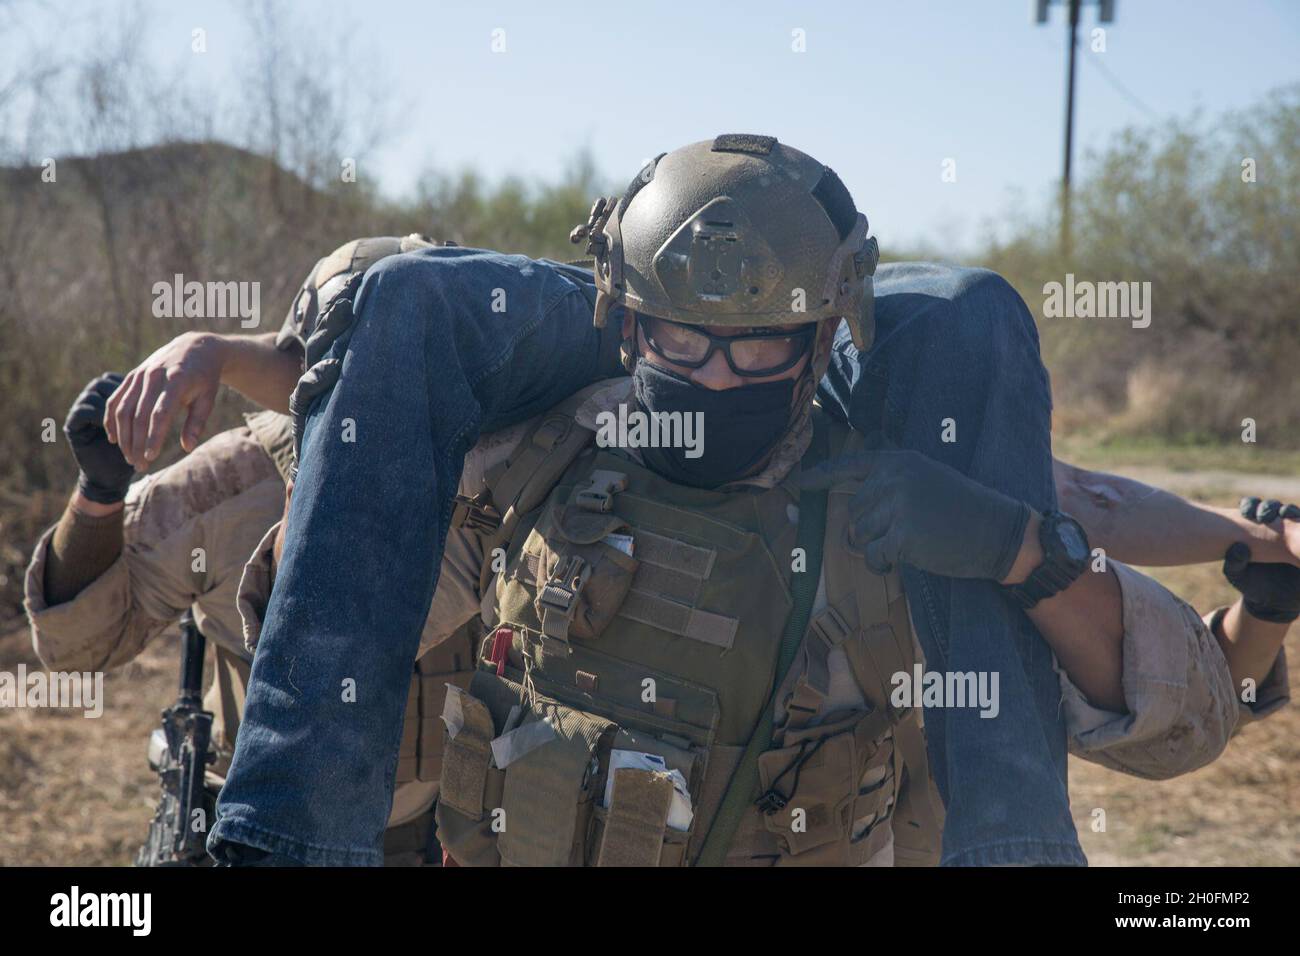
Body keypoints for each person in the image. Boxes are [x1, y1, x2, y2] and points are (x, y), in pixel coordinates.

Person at [101, 140, 1295, 865]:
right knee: (406, 300)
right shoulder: (516, 444)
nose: (714, 377)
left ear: (825, 336)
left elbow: (1188, 711)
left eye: (756, 349)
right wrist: (240, 354)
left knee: (971, 313)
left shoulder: (910, 499)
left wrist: (1025, 551)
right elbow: (322, 462)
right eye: (682, 341)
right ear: (621, 325)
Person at [23, 375, 474, 866]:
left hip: (429, 836)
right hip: (251, 834)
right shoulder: (233, 480)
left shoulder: (493, 467)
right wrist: (98, 496)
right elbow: (76, 646)